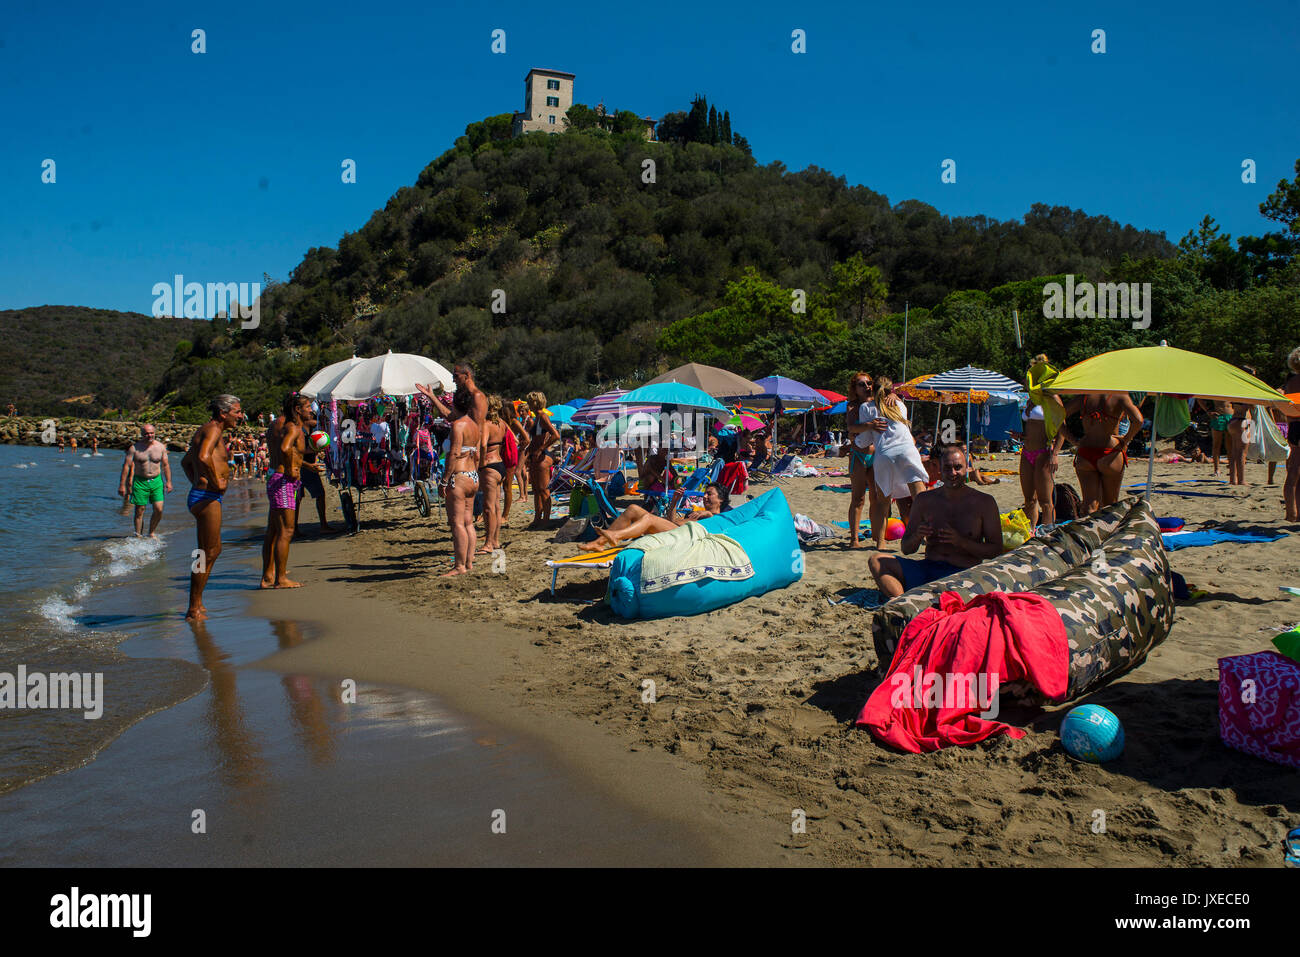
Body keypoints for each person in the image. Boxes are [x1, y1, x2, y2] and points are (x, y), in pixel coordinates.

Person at [868, 444, 1003, 599]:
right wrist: (917, 536)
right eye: (947, 468)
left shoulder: (984, 502)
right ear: (940, 470)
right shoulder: (925, 500)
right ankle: (901, 602)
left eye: (958, 467)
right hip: (928, 569)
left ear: (967, 469)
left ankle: (908, 602)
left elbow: (996, 550)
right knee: (877, 560)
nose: (952, 473)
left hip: (963, 574)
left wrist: (961, 542)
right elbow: (906, 548)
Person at [182, 394, 243, 620]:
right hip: (207, 497)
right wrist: (215, 482)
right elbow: (203, 456)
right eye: (237, 411)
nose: (240, 415)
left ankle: (196, 603)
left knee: (205, 552)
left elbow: (186, 462)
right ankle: (194, 607)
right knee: (209, 552)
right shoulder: (214, 430)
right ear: (223, 413)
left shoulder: (205, 430)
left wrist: (197, 484)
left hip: (201, 495)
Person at [865, 376, 929, 547]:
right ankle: (931, 537)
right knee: (920, 497)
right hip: (907, 449)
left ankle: (880, 543)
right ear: (891, 390)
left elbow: (864, 439)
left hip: (885, 454)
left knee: (883, 503)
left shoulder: (866, 407)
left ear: (873, 389)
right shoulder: (899, 405)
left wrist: (854, 441)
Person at [261, 393, 314, 589]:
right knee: (287, 530)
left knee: (274, 530)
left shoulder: (287, 426)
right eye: (308, 406)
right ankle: (280, 578)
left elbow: (289, 451)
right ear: (298, 410)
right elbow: (284, 449)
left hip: (278, 478)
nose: (311, 409)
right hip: (284, 481)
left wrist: (306, 466)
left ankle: (269, 575)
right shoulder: (293, 428)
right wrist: (291, 468)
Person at [580, 483, 731, 551]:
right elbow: (671, 521)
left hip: (680, 538)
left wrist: (709, 513)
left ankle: (616, 535)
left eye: (709, 494)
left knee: (650, 518)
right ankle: (599, 542)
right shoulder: (696, 512)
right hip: (671, 528)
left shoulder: (720, 517)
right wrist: (674, 502)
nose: (704, 496)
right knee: (632, 509)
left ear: (721, 499)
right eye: (704, 493)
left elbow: (717, 525)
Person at [1062, 392, 1144, 513]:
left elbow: (1057, 416)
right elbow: (1138, 420)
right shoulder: (1120, 396)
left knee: (1089, 506)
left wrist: (1073, 440)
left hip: (1086, 451)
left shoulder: (1084, 397)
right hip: (1110, 451)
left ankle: (1089, 531)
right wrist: (1126, 439)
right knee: (1110, 506)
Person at [1012, 356, 1068, 528]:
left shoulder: (1052, 398)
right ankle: (1030, 534)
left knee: (1046, 501)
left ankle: (1047, 535)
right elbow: (1032, 428)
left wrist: (1055, 454)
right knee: (1029, 500)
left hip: (1044, 453)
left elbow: (1062, 430)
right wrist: (1020, 435)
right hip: (1027, 451)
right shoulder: (1032, 399)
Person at [441, 388, 481, 576]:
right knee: (468, 522)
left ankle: (460, 566)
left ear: (454, 404)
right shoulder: (474, 425)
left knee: (456, 523)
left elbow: (455, 454)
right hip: (473, 476)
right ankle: (469, 561)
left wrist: (444, 480)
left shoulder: (458, 425)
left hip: (460, 476)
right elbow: (477, 454)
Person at [843, 372, 885, 549]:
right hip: (859, 455)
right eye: (862, 384)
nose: (867, 386)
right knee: (858, 498)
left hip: (876, 454)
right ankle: (854, 539)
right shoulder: (852, 406)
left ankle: (877, 536)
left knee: (876, 498)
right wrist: (870, 425)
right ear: (855, 388)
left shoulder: (879, 402)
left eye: (869, 382)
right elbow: (851, 428)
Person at [118, 423, 172, 537]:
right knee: (140, 510)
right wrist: (122, 485)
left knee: (159, 509)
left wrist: (169, 482)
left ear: (155, 433)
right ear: (142, 434)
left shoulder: (161, 447)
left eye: (151, 433)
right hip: (140, 482)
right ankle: (138, 535)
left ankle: (151, 532)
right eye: (147, 433)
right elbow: (126, 466)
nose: (149, 435)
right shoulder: (134, 448)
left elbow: (166, 465)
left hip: (156, 481)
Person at [477, 395, 509, 555]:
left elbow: (483, 445)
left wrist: (480, 464)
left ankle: (489, 543)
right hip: (500, 465)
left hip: (489, 466)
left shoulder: (486, 425)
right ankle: (495, 541)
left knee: (488, 508)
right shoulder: (502, 424)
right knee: (495, 506)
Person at [524, 392, 561, 528]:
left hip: (542, 457)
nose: (528, 404)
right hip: (536, 456)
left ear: (535, 402)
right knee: (537, 490)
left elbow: (555, 435)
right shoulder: (538, 417)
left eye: (530, 402)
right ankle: (537, 519)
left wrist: (541, 448)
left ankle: (545, 520)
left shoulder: (543, 417)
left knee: (544, 490)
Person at [1284, 347, 1300, 521]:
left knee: (1294, 471)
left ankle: (1292, 512)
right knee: (1295, 472)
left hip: (1294, 425)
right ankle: (1294, 513)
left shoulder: (1291, 382)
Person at [1200, 398, 1233, 476]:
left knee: (1230, 445)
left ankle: (1232, 468)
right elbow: (1199, 398)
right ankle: (1216, 469)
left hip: (1231, 415)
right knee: (1216, 444)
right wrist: (1208, 411)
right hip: (1219, 415)